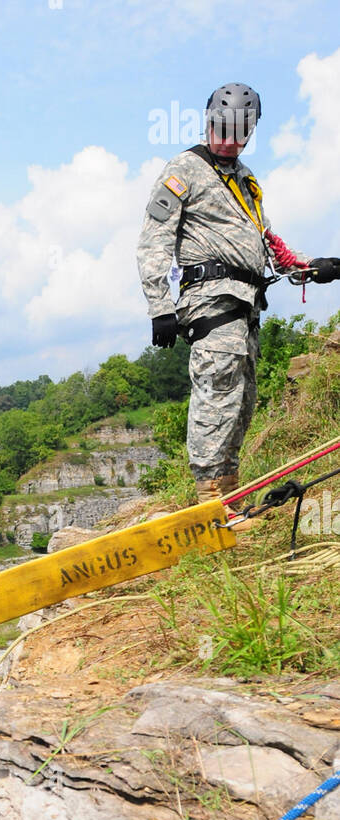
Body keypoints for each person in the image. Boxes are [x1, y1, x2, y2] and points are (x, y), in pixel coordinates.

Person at [137, 82, 340, 505]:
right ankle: (210, 502)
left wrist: (311, 267)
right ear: (209, 121)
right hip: (211, 301)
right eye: (223, 129)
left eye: (241, 132)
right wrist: (160, 307)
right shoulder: (184, 169)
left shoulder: (246, 180)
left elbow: (266, 242)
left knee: (242, 401)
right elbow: (154, 239)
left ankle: (227, 496)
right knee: (218, 396)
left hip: (247, 304)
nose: (230, 141)